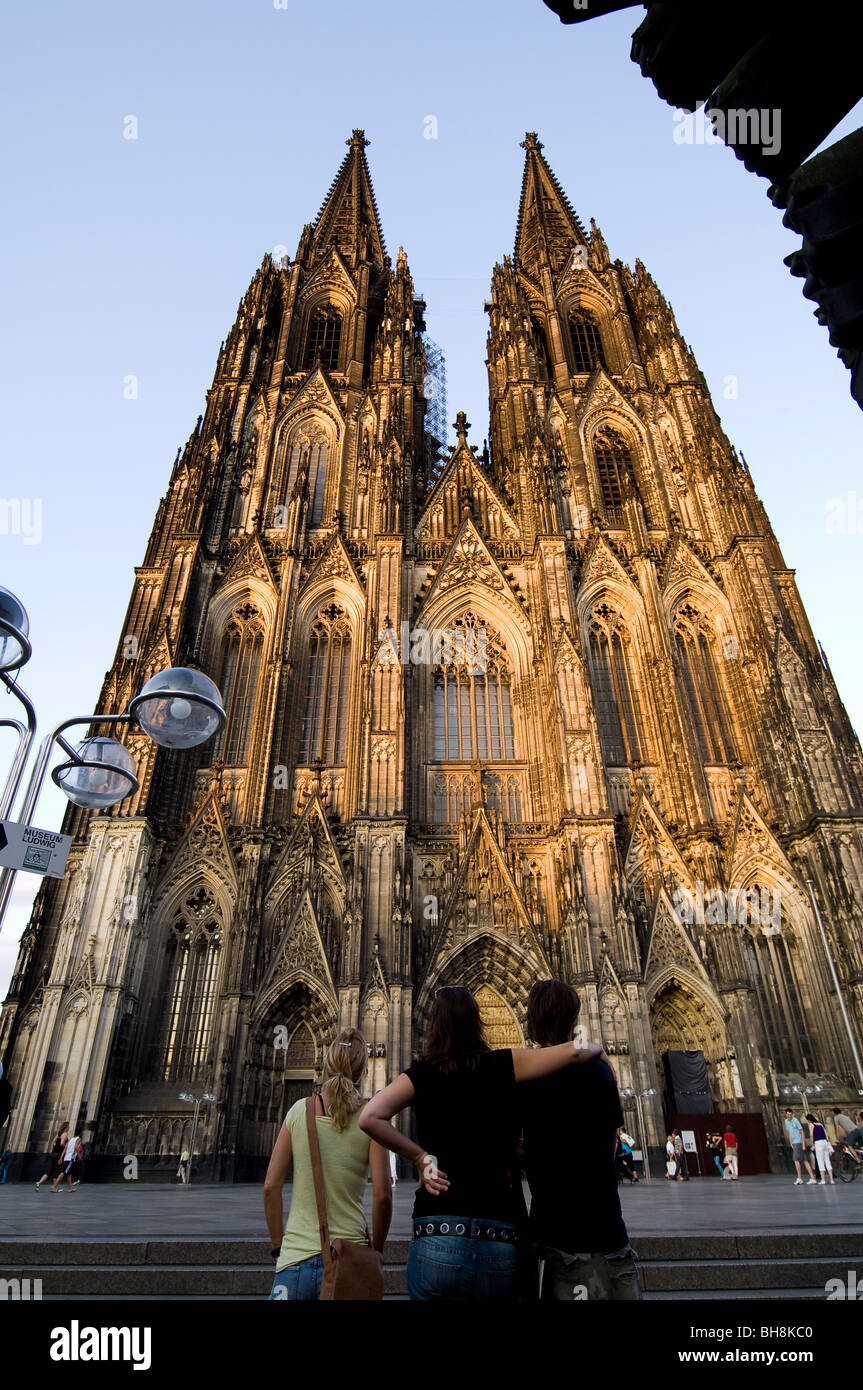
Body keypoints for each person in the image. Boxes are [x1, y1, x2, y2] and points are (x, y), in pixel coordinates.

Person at [358, 984, 610, 1301]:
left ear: (435, 1026)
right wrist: (596, 1050)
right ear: (478, 1024)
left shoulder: (422, 1074)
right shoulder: (502, 1064)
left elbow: (369, 1117)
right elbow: (571, 1050)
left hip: (438, 1234)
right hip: (498, 1236)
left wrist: (420, 1158)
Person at [519, 980, 640, 1301]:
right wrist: (592, 1049)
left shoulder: (525, 1079)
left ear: (531, 1022)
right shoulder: (602, 1074)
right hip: (608, 1233)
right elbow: (611, 1147)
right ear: (574, 1021)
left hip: (555, 1236)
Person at [264, 1028, 392, 1300]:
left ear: (327, 1063)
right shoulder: (373, 1118)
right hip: (350, 1259)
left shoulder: (299, 1110)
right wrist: (377, 1250)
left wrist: (279, 1248)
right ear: (363, 1071)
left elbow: (270, 1187)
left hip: (294, 1261)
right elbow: (382, 1195)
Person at [784, 1109, 817, 1184]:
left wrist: (803, 1144)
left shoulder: (795, 1120)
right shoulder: (786, 1121)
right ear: (786, 1115)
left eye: (790, 1114)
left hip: (798, 1142)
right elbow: (790, 1132)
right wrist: (791, 1142)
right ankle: (812, 1177)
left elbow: (802, 1131)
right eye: (788, 1114)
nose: (789, 1116)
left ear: (792, 1114)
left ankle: (799, 1178)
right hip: (794, 1142)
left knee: (796, 1160)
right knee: (804, 1160)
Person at [35, 1125, 68, 1191]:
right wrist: (66, 1147)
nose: (69, 1128)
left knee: (49, 1171)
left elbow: (54, 1142)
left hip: (53, 1153)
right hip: (58, 1154)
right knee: (57, 1171)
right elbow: (62, 1143)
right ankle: (55, 1188)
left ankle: (39, 1183)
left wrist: (56, 1145)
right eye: (68, 1127)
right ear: (66, 1128)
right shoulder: (64, 1134)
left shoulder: (58, 1134)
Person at [806, 1113, 835, 1185]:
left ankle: (823, 1180)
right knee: (827, 1161)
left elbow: (811, 1135)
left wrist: (812, 1144)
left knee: (820, 1161)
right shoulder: (820, 1124)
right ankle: (831, 1180)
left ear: (809, 1120)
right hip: (825, 1142)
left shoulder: (811, 1125)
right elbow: (827, 1134)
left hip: (818, 1143)